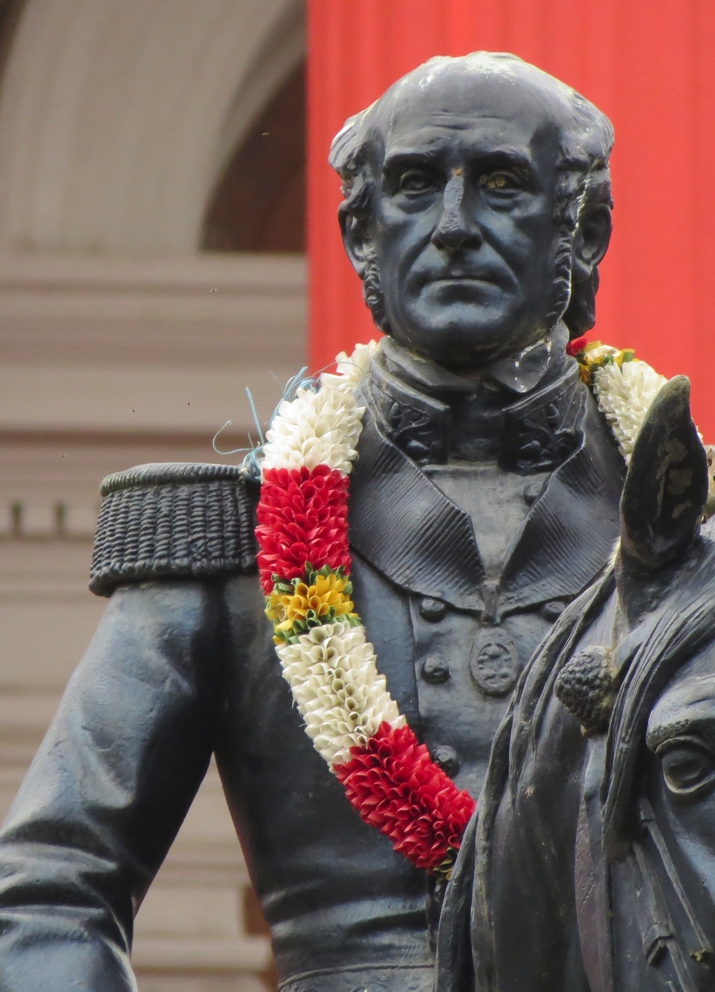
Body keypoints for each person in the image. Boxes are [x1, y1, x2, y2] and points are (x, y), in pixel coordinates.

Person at [0, 53, 625, 992]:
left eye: (501, 183)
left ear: (584, 231)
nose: (453, 227)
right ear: (361, 234)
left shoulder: (710, 531)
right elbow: (53, 891)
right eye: (416, 187)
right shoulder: (228, 542)